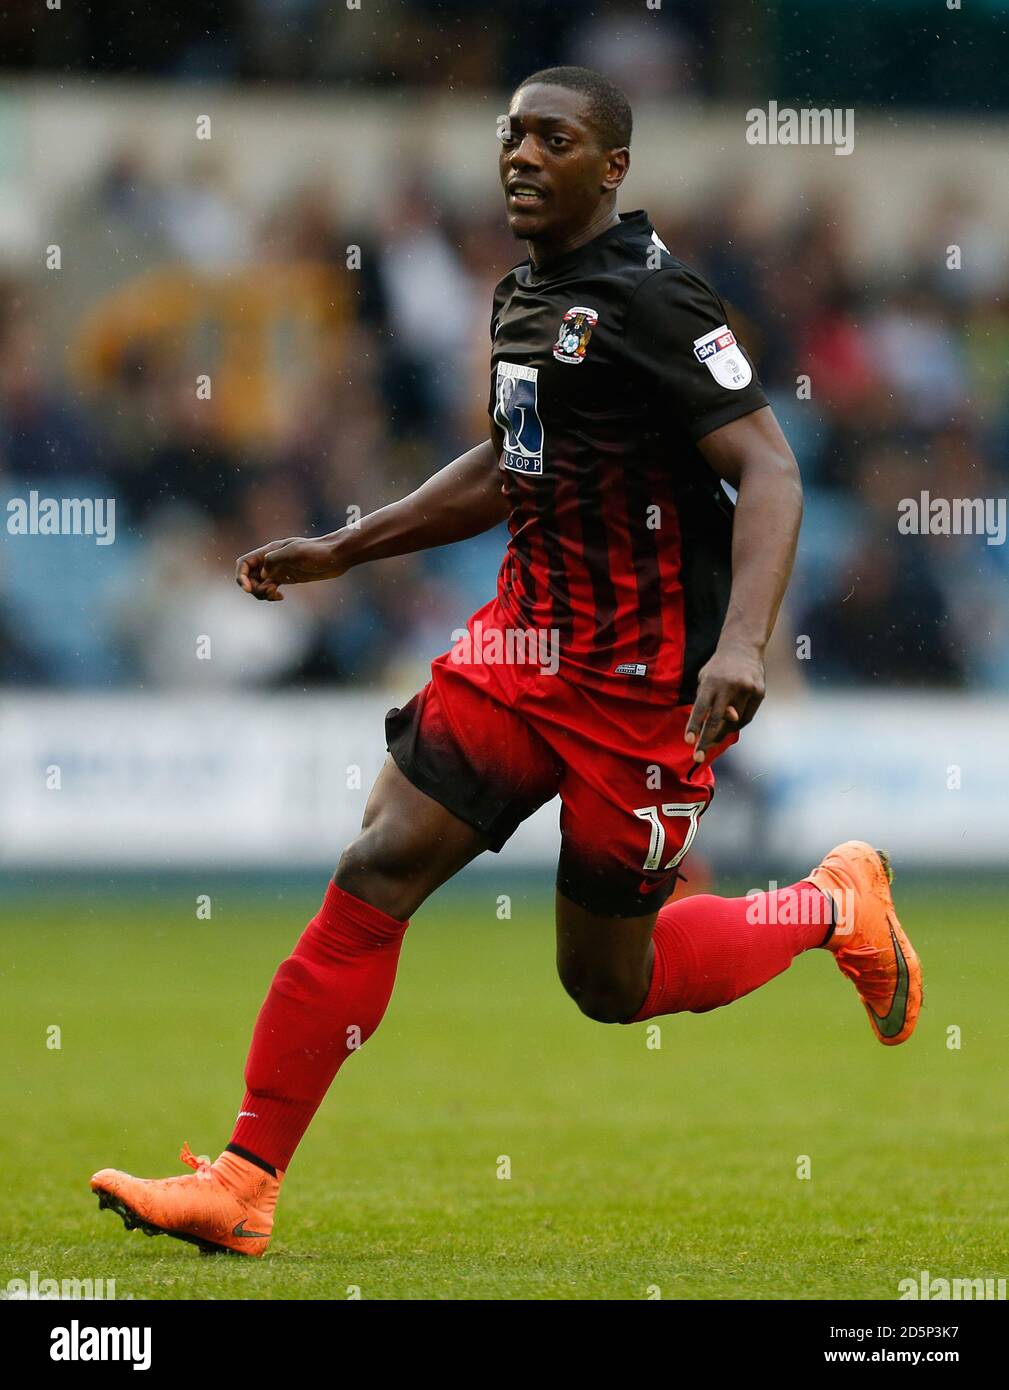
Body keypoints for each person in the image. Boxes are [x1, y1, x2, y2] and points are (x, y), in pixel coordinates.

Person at [91, 67, 921, 1258]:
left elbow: (773, 469)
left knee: (606, 982)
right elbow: (505, 461)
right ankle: (243, 1180)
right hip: (523, 652)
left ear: (612, 166)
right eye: (512, 134)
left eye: (555, 137)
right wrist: (345, 543)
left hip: (642, 692)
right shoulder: (526, 298)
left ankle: (831, 904)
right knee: (377, 866)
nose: (522, 155)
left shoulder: (659, 301)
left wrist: (740, 643)